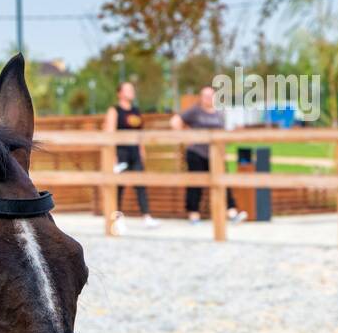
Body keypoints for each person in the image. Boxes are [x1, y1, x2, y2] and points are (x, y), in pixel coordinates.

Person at [171, 86, 247, 224]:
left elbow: (223, 132)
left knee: (224, 182)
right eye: (205, 96)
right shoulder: (195, 111)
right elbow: (175, 121)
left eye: (211, 96)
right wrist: (186, 138)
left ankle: (231, 212)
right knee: (196, 184)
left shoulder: (219, 113)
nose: (208, 98)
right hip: (197, 152)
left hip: (216, 155)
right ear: (201, 97)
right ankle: (194, 215)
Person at [102, 82, 158, 230]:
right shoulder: (114, 110)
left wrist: (142, 150)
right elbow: (110, 132)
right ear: (119, 93)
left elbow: (140, 134)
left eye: (132, 89)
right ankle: (117, 218)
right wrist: (113, 155)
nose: (131, 92)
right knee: (119, 186)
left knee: (140, 184)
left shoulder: (136, 111)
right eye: (128, 89)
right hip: (121, 152)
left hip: (135, 152)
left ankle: (146, 216)